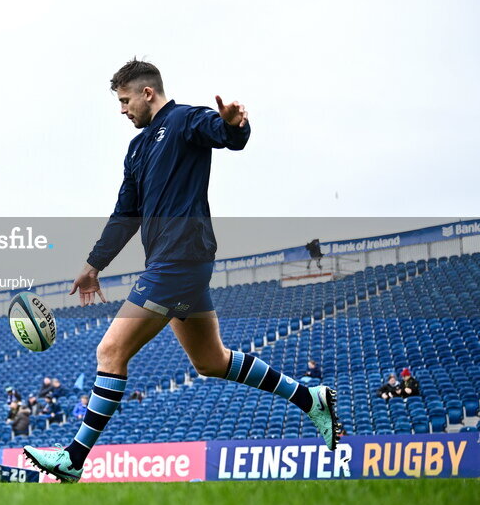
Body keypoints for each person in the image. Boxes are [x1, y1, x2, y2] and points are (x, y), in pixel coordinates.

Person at [23, 59, 340, 483]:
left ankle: (74, 458)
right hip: (171, 263)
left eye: (124, 100)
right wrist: (93, 265)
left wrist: (234, 126)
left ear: (147, 93)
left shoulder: (185, 120)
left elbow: (227, 135)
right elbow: (126, 213)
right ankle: (309, 398)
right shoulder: (136, 150)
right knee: (210, 360)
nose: (122, 110)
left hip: (181, 257)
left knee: (109, 352)